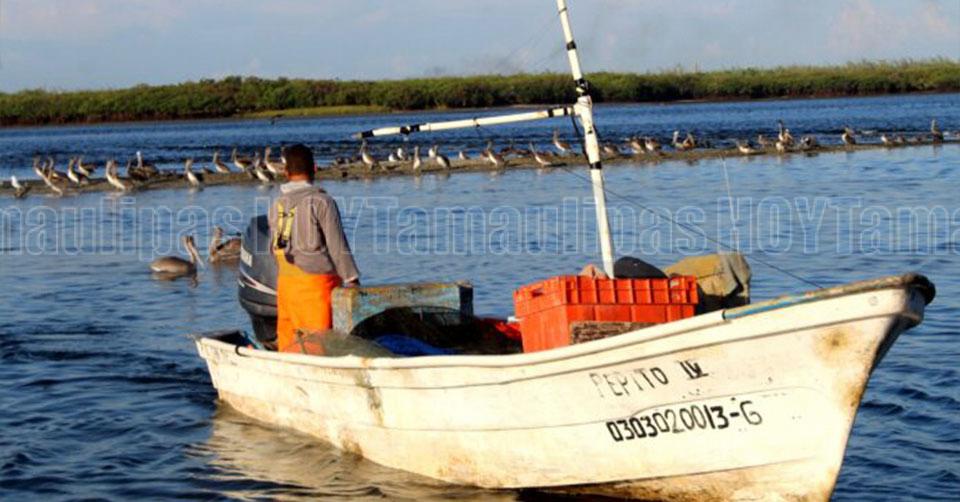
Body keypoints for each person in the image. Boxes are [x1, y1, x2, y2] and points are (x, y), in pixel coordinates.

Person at [269, 144, 360, 353]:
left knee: (290, 345)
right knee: (318, 346)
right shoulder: (322, 202)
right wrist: (352, 280)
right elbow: (337, 245)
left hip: (286, 286)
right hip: (316, 287)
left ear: (286, 173)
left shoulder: (277, 204)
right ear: (316, 168)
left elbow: (273, 248)